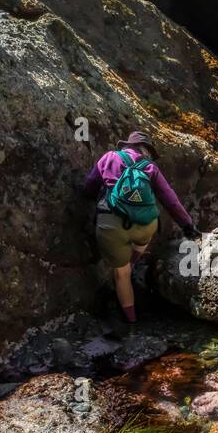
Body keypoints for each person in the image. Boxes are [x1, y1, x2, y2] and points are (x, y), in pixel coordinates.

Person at [81, 131, 199, 323]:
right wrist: (187, 225)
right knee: (144, 237)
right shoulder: (150, 167)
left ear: (127, 146)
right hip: (146, 226)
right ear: (145, 150)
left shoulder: (109, 158)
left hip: (112, 226)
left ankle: (131, 321)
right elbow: (170, 200)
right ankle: (133, 261)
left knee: (121, 274)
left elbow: (89, 186)